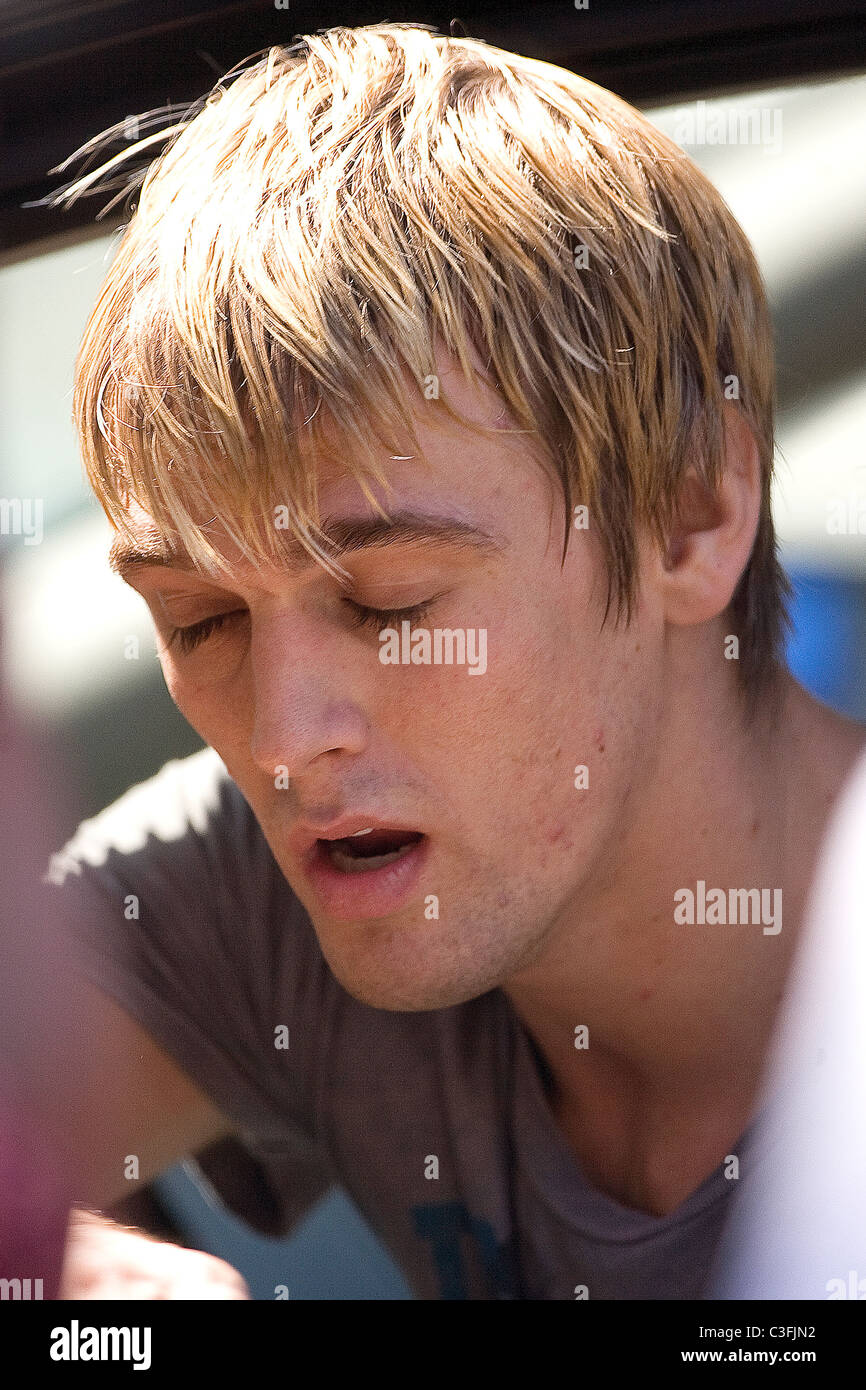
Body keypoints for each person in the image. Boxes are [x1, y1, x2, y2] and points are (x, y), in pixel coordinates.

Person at [43, 21, 865, 1299]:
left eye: (387, 603)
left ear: (692, 518)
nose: (282, 735)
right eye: (201, 621)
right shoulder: (279, 885)